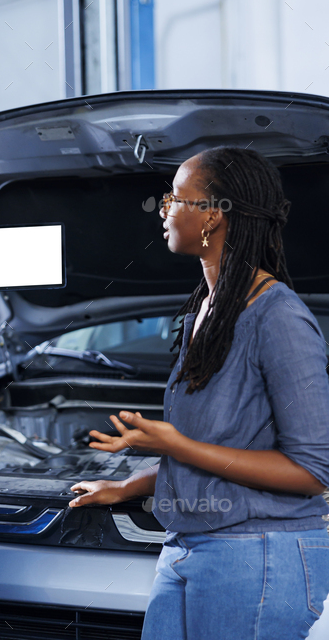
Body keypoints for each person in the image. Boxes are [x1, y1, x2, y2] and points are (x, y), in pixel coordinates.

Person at [69, 147, 329, 640]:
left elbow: (313, 472)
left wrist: (172, 443)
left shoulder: (277, 316)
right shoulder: (206, 310)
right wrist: (128, 485)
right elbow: (228, 447)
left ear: (212, 217)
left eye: (176, 198)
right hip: (189, 546)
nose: (164, 209)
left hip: (259, 554)